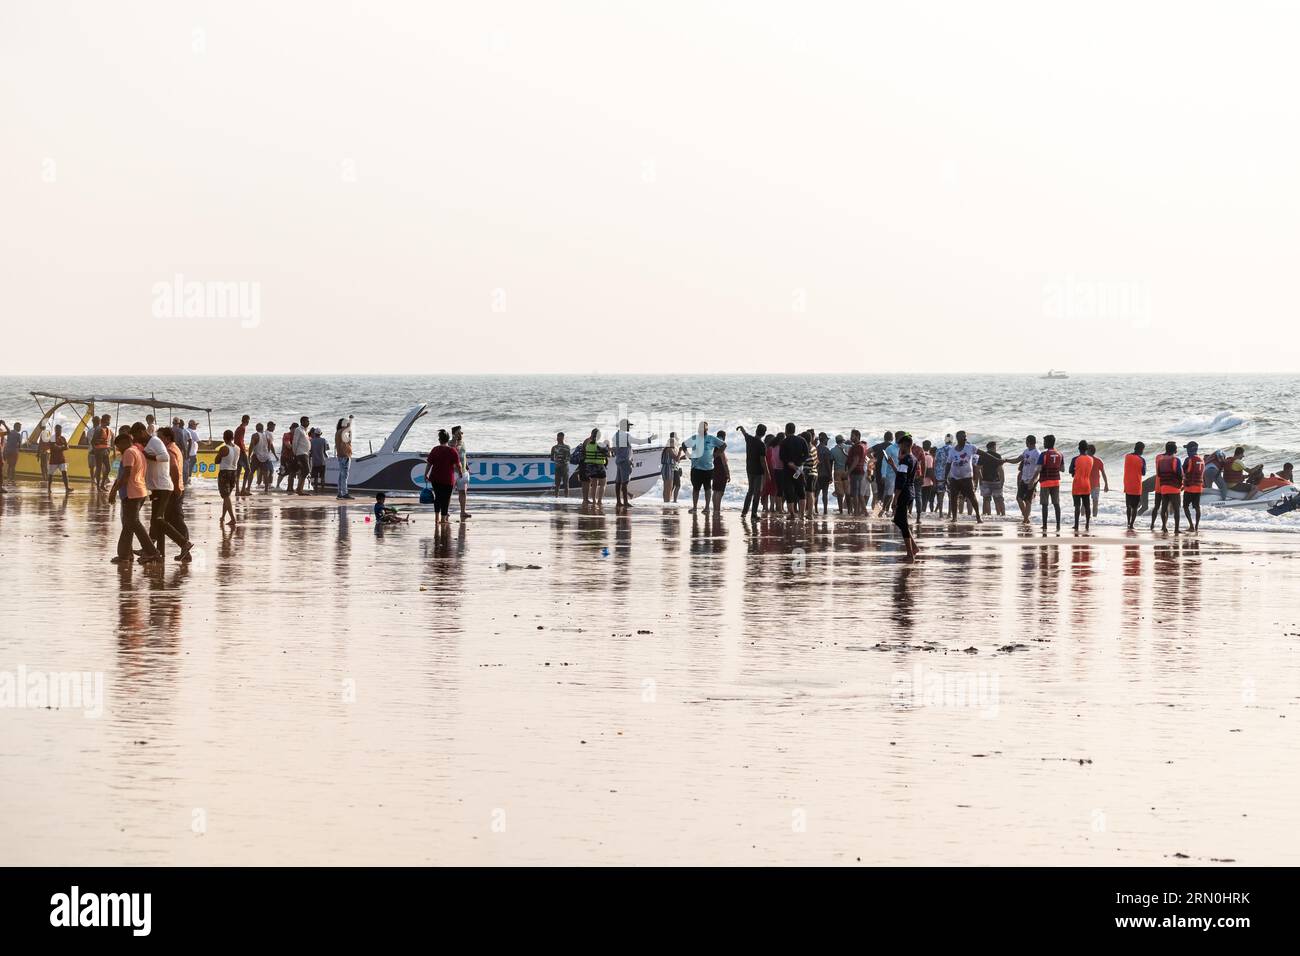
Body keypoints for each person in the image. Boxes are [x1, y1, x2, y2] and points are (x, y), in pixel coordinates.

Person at [108, 432, 161, 564]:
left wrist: (114, 490)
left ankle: (152, 552)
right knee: (128, 525)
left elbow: (126, 475)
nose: (118, 449)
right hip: (139, 491)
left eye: (119, 446)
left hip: (132, 493)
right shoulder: (138, 451)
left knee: (133, 523)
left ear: (126, 442)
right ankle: (124, 555)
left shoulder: (129, 453)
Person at [159, 427, 192, 560]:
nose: (158, 440)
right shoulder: (176, 447)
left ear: (167, 438)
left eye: (160, 437)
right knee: (171, 520)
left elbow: (173, 468)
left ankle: (185, 546)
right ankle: (153, 549)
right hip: (177, 488)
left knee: (170, 521)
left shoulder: (169, 450)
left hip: (173, 489)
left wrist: (176, 487)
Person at [611, 418, 655, 508]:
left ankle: (618, 502)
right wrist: (649, 439)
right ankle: (626, 502)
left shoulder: (615, 435)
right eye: (628, 426)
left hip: (618, 461)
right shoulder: (626, 436)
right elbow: (639, 442)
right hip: (625, 461)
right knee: (625, 482)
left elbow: (614, 449)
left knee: (618, 482)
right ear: (624, 426)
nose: (629, 428)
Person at [684, 421, 725, 514]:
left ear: (707, 429)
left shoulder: (711, 438)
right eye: (700, 428)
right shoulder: (694, 438)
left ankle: (707, 508)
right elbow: (683, 445)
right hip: (696, 468)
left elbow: (723, 445)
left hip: (708, 468)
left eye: (703, 428)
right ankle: (694, 507)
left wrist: (716, 454)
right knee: (696, 488)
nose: (701, 430)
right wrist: (689, 455)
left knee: (707, 488)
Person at [893, 432, 920, 562]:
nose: (899, 447)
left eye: (900, 445)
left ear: (905, 444)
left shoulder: (905, 460)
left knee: (902, 522)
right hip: (911, 492)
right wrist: (893, 464)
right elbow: (903, 474)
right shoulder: (913, 458)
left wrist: (895, 497)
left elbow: (901, 480)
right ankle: (913, 548)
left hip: (904, 493)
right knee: (899, 520)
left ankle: (910, 553)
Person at [424, 429, 460, 524]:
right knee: (446, 498)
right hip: (447, 479)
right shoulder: (452, 451)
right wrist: (460, 473)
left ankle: (436, 519)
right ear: (448, 440)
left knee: (438, 497)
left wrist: (425, 474)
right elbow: (458, 464)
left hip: (435, 478)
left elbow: (429, 464)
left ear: (439, 440)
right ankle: (443, 520)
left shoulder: (435, 449)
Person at [946, 431, 981, 523]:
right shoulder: (952, 450)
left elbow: (983, 454)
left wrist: (996, 460)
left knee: (972, 497)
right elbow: (948, 464)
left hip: (967, 478)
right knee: (953, 498)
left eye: (965, 437)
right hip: (954, 478)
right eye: (963, 437)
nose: (965, 439)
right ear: (958, 438)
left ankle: (978, 516)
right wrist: (945, 477)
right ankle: (954, 517)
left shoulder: (970, 447)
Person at [737, 424, 769, 517]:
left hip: (749, 469)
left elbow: (744, 433)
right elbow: (763, 461)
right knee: (757, 492)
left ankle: (744, 512)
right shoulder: (761, 445)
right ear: (763, 433)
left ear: (756, 431)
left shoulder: (749, 439)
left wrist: (741, 428)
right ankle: (754, 513)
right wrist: (767, 473)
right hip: (758, 471)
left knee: (750, 491)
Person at [778, 423, 808, 519]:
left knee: (789, 492)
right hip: (799, 470)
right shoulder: (802, 440)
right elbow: (806, 455)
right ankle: (802, 514)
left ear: (786, 430)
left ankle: (792, 514)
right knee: (801, 492)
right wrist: (799, 463)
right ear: (794, 430)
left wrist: (790, 463)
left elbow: (781, 456)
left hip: (787, 470)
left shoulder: (784, 442)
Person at [1152, 441, 1183, 534]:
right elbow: (1179, 473)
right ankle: (1176, 529)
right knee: (1176, 509)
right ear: (1174, 450)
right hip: (1174, 488)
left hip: (1163, 488)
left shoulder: (1160, 461)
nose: (1177, 449)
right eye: (1176, 448)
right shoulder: (1176, 460)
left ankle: (1164, 527)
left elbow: (1159, 474)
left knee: (1164, 508)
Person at [1010, 435, 1040, 524]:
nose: (1025, 443)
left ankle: (1026, 519)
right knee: (1019, 498)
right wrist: (1007, 460)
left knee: (1028, 501)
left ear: (1029, 442)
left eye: (1026, 441)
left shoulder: (1037, 453)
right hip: (1024, 478)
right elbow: (1018, 459)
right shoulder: (1026, 451)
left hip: (1032, 479)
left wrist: (1033, 480)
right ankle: (1025, 516)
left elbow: (1038, 469)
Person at [1038, 434, 1064, 532]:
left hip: (1045, 482)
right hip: (1056, 482)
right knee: (1056, 504)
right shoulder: (1060, 454)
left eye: (1044, 442)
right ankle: (1058, 525)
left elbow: (1039, 469)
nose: (1043, 443)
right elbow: (1062, 469)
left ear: (1048, 443)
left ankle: (1044, 525)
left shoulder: (1043, 455)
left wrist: (1033, 480)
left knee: (1045, 504)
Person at [1068, 439, 1094, 533]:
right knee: (1087, 506)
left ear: (1079, 448)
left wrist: (1074, 471)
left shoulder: (1075, 459)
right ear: (1087, 449)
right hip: (1087, 484)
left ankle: (1076, 524)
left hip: (1077, 484)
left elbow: (1070, 471)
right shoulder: (1091, 459)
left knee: (1077, 506)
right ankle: (1087, 524)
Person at [978, 441, 1010, 516]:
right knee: (999, 499)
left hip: (985, 480)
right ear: (993, 447)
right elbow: (1000, 470)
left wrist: (980, 479)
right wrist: (1002, 481)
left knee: (986, 499)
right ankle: (1002, 515)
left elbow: (978, 469)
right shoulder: (998, 456)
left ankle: (988, 516)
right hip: (996, 480)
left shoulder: (982, 455)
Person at [581, 428, 610, 507]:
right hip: (600, 466)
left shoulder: (588, 445)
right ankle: (599, 501)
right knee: (603, 484)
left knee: (594, 484)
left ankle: (593, 500)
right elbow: (608, 455)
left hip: (590, 466)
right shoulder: (601, 445)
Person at [215, 430, 239, 527]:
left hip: (225, 472)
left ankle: (233, 518)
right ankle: (223, 516)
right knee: (227, 496)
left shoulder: (224, 448)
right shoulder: (237, 448)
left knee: (226, 496)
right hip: (234, 472)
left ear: (224, 438)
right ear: (232, 438)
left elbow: (216, 461)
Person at [41, 423, 71, 493]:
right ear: (55, 430)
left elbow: (67, 447)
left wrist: (62, 447)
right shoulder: (52, 438)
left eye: (60, 430)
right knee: (50, 475)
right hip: (53, 459)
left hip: (61, 459)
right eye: (58, 430)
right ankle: (49, 488)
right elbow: (55, 447)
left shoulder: (63, 438)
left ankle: (67, 488)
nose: (59, 432)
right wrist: (63, 447)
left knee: (64, 473)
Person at [1123, 442, 1147, 530]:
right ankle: (1132, 525)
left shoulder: (1127, 456)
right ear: (1141, 449)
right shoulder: (1142, 460)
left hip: (1127, 485)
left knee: (1128, 506)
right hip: (1136, 486)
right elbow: (1143, 473)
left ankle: (1128, 522)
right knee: (1135, 507)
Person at [1182, 441, 1205, 532]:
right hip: (1199, 487)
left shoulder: (1188, 459)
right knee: (1197, 507)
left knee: (1185, 506)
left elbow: (1182, 471)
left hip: (1189, 487)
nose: (1186, 451)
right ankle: (1196, 527)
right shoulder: (1201, 459)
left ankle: (1191, 525)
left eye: (1187, 448)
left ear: (1190, 449)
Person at [846, 429, 869, 516]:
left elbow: (856, 460)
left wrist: (848, 472)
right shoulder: (863, 445)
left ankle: (856, 512)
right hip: (860, 471)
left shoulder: (857, 447)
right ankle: (865, 512)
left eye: (852, 436)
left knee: (855, 494)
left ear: (857, 436)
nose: (851, 437)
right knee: (859, 494)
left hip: (856, 472)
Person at [451, 425, 471, 520]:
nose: (461, 434)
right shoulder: (451, 443)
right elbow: (455, 449)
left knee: (463, 492)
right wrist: (455, 437)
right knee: (449, 493)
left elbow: (464, 454)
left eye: (461, 432)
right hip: (453, 471)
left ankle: (463, 511)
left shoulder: (463, 442)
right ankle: (445, 512)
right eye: (459, 432)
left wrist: (467, 465)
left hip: (463, 471)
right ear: (454, 434)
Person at [931, 433, 953, 514]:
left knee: (940, 494)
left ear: (945, 440)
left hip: (940, 475)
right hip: (951, 475)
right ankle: (950, 514)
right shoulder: (954, 450)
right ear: (952, 440)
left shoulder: (939, 450)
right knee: (951, 495)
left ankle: (940, 513)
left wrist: (935, 475)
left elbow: (935, 463)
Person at [829, 434, 850, 514]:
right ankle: (849, 510)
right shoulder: (848, 447)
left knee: (839, 493)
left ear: (836, 441)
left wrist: (830, 474)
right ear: (843, 440)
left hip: (837, 472)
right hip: (846, 471)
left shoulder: (833, 450)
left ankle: (841, 510)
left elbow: (831, 462)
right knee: (847, 492)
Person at [1086, 444, 1108, 517]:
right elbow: (1103, 473)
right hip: (1095, 485)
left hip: (1086, 484)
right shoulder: (1099, 461)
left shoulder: (1085, 460)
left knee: (1084, 503)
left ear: (1088, 450)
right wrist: (1106, 484)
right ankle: (1094, 518)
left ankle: (1082, 519)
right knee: (1095, 503)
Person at [335, 416, 354, 499]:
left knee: (341, 475)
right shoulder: (343, 431)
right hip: (345, 455)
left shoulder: (338, 432)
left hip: (341, 455)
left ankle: (340, 492)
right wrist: (351, 420)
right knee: (345, 475)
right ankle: (345, 493)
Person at [711, 429, 730, 514]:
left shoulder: (713, 447)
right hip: (721, 472)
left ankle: (715, 509)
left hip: (714, 470)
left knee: (715, 491)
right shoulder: (720, 448)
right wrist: (728, 474)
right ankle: (717, 509)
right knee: (720, 492)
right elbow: (724, 463)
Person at [764, 433, 783, 514]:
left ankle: (765, 507)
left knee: (766, 490)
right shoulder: (773, 449)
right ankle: (771, 507)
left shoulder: (765, 449)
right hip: (773, 470)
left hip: (765, 471)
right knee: (773, 490)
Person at [292, 416, 312, 495]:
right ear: (302, 422)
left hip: (305, 453)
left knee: (304, 471)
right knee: (306, 470)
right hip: (300, 453)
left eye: (308, 421)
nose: (308, 422)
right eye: (307, 421)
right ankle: (299, 490)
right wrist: (295, 453)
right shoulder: (298, 429)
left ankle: (299, 489)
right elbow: (295, 442)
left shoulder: (305, 431)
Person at [814, 433, 833, 515]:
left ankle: (815, 509)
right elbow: (828, 464)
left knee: (816, 493)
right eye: (827, 440)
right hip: (825, 474)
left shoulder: (815, 449)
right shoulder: (826, 450)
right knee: (825, 493)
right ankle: (825, 510)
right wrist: (830, 475)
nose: (827, 441)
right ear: (824, 439)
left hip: (816, 474)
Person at [235, 414, 253, 495]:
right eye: (248, 420)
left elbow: (238, 440)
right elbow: (240, 441)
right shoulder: (242, 428)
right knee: (248, 470)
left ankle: (237, 490)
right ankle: (242, 489)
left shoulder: (239, 428)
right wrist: (243, 450)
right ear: (247, 420)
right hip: (240, 451)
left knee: (238, 470)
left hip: (237, 450)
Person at [3, 421, 24, 487]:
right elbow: (19, 444)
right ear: (17, 427)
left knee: (9, 465)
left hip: (7, 450)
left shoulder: (9, 432)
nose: (20, 428)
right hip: (14, 451)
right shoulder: (18, 434)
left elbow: (8, 441)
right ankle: (12, 479)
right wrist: (20, 448)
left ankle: (8, 478)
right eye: (19, 427)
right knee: (13, 466)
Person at [659, 434, 679, 503]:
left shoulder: (666, 449)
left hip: (665, 468)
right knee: (669, 486)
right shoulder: (669, 449)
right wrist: (680, 451)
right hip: (668, 468)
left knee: (666, 486)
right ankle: (667, 502)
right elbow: (676, 458)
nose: (675, 443)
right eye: (673, 442)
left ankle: (666, 501)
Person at [550, 431, 571, 497]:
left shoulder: (554, 447)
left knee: (561, 484)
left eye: (559, 437)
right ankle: (561, 497)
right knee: (562, 484)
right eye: (558, 437)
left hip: (560, 467)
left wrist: (557, 460)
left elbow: (552, 458)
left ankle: (561, 497)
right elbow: (569, 458)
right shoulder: (566, 447)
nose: (558, 438)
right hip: (562, 467)